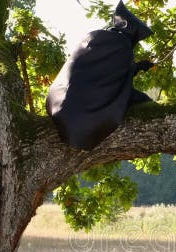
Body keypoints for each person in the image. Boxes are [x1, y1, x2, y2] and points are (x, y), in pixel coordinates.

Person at [45, 1, 154, 150]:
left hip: (56, 103)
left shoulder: (95, 35)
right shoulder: (124, 47)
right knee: (145, 103)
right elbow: (118, 85)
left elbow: (101, 74)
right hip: (79, 117)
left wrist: (136, 67)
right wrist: (147, 101)